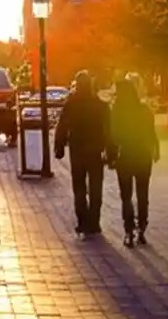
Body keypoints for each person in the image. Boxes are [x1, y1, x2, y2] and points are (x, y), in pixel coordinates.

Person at [55, 70, 114, 238]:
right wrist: (110, 151)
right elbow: (108, 131)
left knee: (79, 186)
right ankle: (94, 222)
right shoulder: (100, 105)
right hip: (95, 150)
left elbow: (62, 125)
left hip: (77, 150)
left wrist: (59, 146)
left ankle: (82, 221)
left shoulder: (71, 104)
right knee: (96, 187)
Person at [111, 77, 159, 247]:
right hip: (143, 156)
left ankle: (128, 231)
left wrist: (110, 156)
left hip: (125, 156)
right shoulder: (144, 110)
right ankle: (142, 230)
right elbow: (151, 131)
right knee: (142, 193)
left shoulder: (116, 111)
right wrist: (156, 149)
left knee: (126, 195)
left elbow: (112, 135)